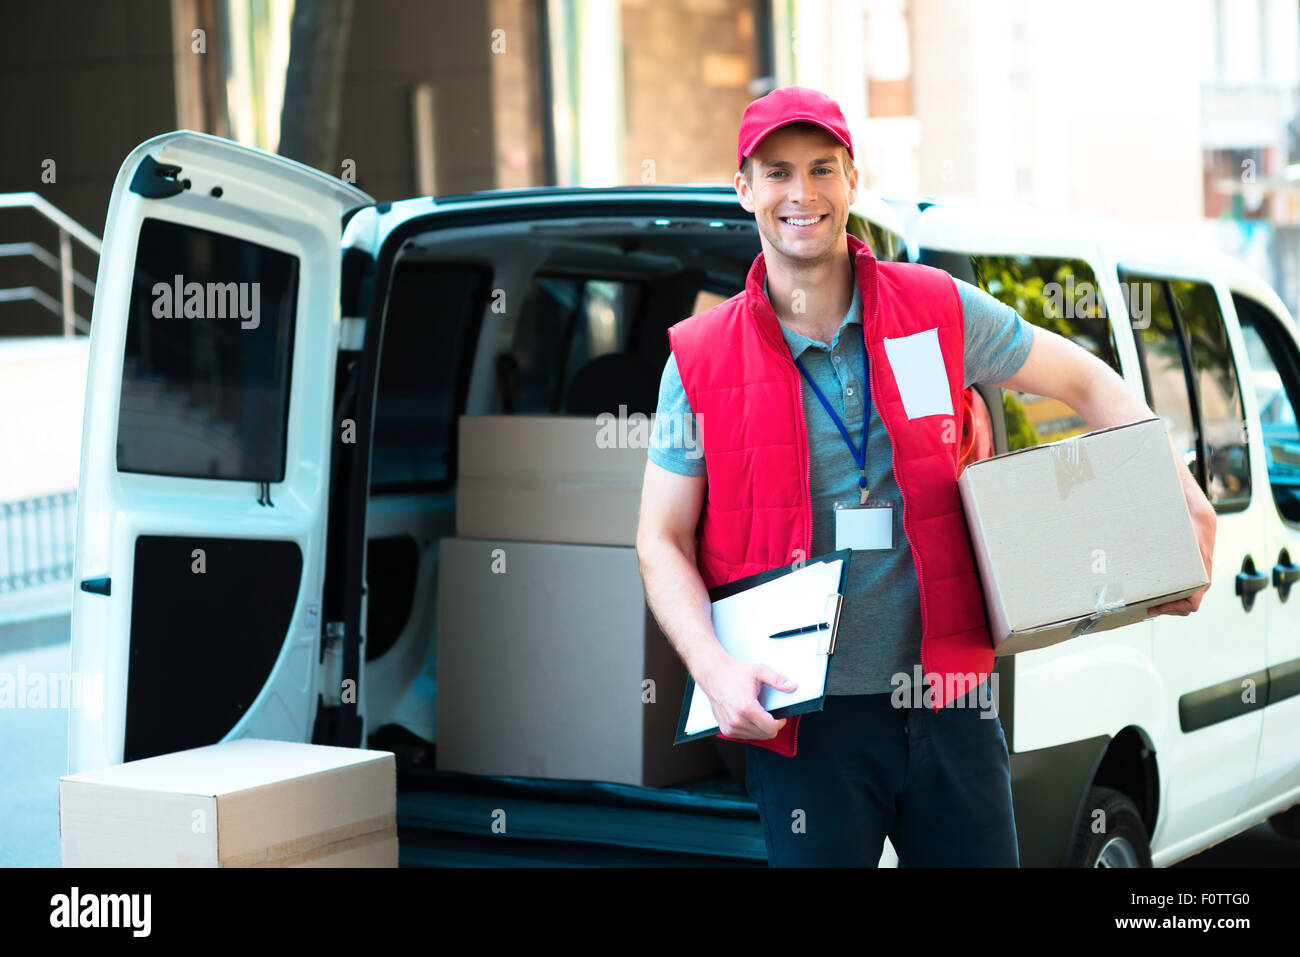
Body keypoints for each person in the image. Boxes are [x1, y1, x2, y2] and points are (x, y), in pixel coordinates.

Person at [633, 85, 1216, 867]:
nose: (801, 193)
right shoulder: (698, 361)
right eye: (777, 173)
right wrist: (713, 669)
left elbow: (1089, 384)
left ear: (852, 179)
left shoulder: (936, 309)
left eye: (822, 169)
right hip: (803, 723)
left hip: (951, 703)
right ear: (744, 189)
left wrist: (1173, 496)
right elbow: (659, 538)